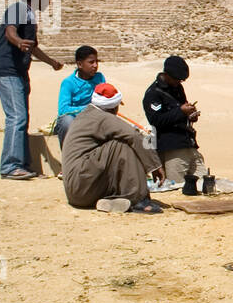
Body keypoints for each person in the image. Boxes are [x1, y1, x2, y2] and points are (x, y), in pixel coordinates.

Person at [0, 0, 63, 179]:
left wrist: (51, 62)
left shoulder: (30, 15)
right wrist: (18, 41)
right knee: (17, 117)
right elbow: (10, 32)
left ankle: (23, 166)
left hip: (19, 72)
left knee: (22, 118)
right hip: (8, 70)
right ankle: (10, 166)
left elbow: (34, 47)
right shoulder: (18, 9)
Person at [61, 83, 164, 213]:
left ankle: (115, 197)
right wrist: (155, 166)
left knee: (115, 145)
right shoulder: (103, 118)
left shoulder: (87, 114)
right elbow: (134, 136)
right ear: (113, 107)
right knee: (121, 145)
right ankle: (137, 199)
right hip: (81, 186)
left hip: (77, 189)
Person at [143, 56, 207, 195]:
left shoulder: (177, 87)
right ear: (166, 75)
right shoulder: (153, 94)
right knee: (178, 190)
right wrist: (180, 111)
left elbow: (181, 111)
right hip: (173, 149)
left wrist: (190, 115)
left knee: (205, 185)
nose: (179, 82)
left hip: (188, 143)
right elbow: (156, 121)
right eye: (177, 79)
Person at [55, 46, 106, 145]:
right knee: (67, 121)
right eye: (91, 62)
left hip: (93, 118)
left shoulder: (99, 78)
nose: (95, 65)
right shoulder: (68, 83)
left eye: (97, 62)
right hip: (74, 119)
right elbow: (63, 110)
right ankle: (69, 156)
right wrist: (88, 108)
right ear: (80, 64)